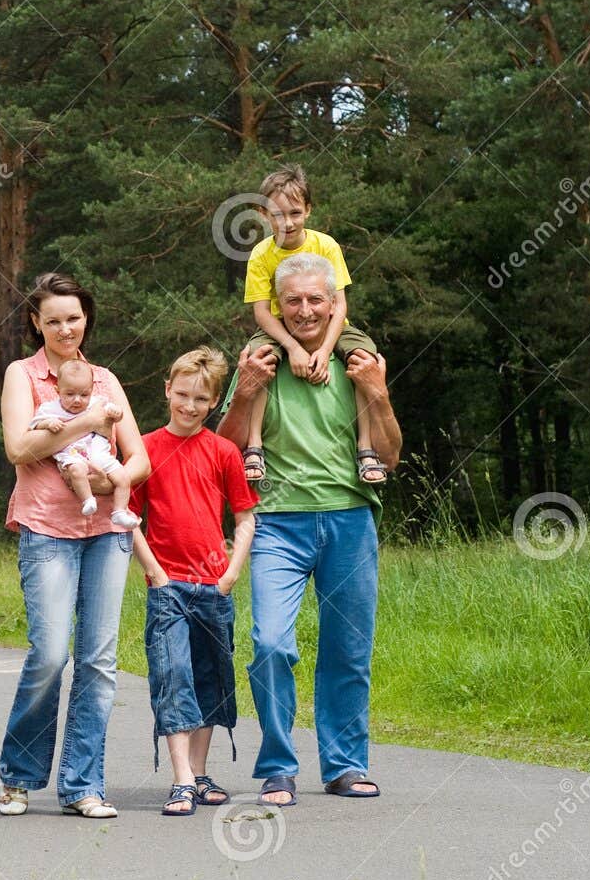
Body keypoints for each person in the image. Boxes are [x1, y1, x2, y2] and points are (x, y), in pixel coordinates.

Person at [218, 255, 401, 806]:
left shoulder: (359, 363)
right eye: (292, 301)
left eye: (315, 300)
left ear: (333, 303)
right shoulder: (259, 360)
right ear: (278, 305)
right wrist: (246, 390)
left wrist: (378, 392)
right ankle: (278, 764)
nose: (304, 311)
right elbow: (224, 451)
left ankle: (346, 765)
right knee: (271, 643)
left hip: (349, 518)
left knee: (347, 650)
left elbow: (389, 457)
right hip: (276, 521)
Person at [0, 272, 150, 820]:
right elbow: (19, 447)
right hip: (48, 531)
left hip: (106, 532)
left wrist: (112, 482)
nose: (65, 327)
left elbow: (140, 457)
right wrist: (85, 420)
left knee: (100, 660)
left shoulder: (106, 377)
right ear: (36, 322)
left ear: (87, 319)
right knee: (51, 653)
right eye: (53, 318)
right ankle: (19, 775)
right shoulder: (23, 375)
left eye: (74, 317)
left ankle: (83, 784)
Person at [128, 348, 257, 816]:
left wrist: (231, 573)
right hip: (168, 587)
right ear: (167, 390)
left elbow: (245, 518)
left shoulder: (223, 451)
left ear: (214, 400)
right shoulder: (144, 449)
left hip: (213, 585)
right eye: (182, 394)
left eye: (200, 398)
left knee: (212, 677)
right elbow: (129, 518)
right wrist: (155, 573)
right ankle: (181, 778)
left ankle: (200, 773)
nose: (189, 405)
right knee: (172, 674)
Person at [242, 164, 386, 487]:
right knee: (257, 357)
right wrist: (292, 347)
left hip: (331, 323)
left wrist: (324, 350)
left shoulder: (326, 245)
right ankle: (254, 446)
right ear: (263, 215)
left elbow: (340, 304)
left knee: (366, 357)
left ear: (308, 210)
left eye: (295, 212)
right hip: (282, 325)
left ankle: (366, 448)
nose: (287, 222)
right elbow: (263, 313)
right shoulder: (260, 255)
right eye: (277, 215)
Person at [29, 358, 140, 527]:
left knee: (123, 478)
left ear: (91, 391)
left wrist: (117, 413)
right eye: (70, 394)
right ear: (57, 391)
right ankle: (88, 500)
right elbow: (35, 425)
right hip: (72, 453)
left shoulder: (97, 403)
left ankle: (119, 511)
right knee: (76, 471)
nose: (77, 400)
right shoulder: (49, 409)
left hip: (100, 454)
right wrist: (48, 424)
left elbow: (116, 414)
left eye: (84, 394)